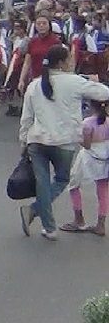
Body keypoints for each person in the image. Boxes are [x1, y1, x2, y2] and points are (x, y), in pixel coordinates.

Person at [18, 43, 109, 240]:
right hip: (64, 142)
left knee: (42, 182)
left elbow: (26, 117)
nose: (72, 60)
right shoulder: (74, 81)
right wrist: (92, 80)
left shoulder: (35, 84)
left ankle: (48, 226)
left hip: (36, 140)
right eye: (70, 58)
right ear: (61, 62)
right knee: (60, 179)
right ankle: (33, 210)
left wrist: (23, 140)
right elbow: (104, 93)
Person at [61, 99, 109, 237]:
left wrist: (76, 135)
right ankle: (101, 224)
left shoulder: (88, 123)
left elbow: (86, 145)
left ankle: (78, 219)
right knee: (103, 190)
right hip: (105, 156)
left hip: (89, 157)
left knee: (74, 185)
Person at [18, 14, 62, 95]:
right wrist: (21, 80)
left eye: (44, 23)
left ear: (49, 25)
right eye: (38, 24)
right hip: (35, 78)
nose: (41, 26)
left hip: (52, 79)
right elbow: (27, 63)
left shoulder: (56, 42)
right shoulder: (32, 42)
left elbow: (60, 63)